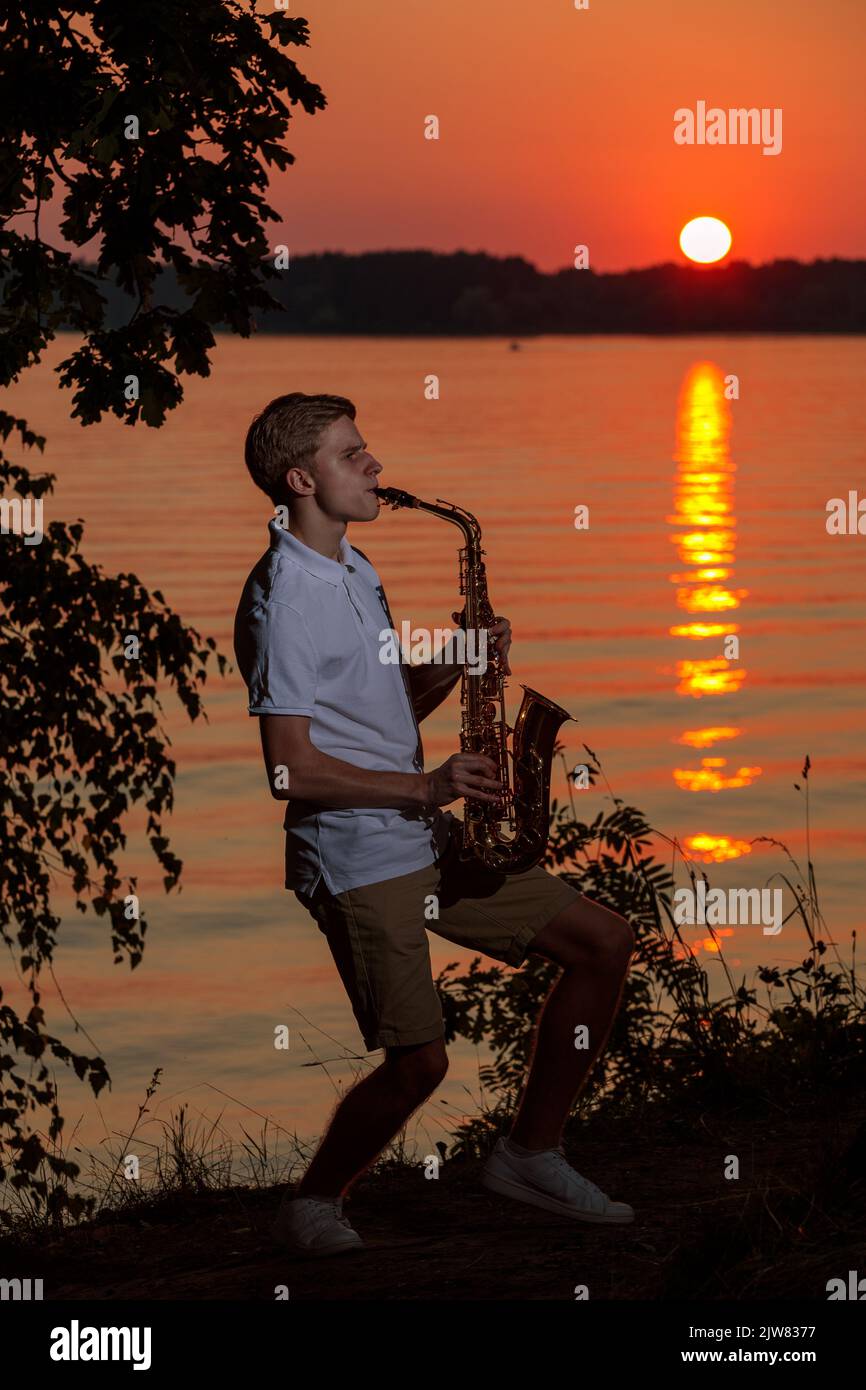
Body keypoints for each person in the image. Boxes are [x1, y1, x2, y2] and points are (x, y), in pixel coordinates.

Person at [233, 392, 636, 1258]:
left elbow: (385, 703)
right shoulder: (281, 603)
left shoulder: (354, 566)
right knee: (420, 1064)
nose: (375, 464)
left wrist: (460, 660)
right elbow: (288, 769)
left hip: (419, 831)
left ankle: (530, 1154)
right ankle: (310, 1206)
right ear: (302, 479)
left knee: (602, 942)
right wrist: (426, 787)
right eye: (352, 454)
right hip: (358, 855)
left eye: (367, 448)